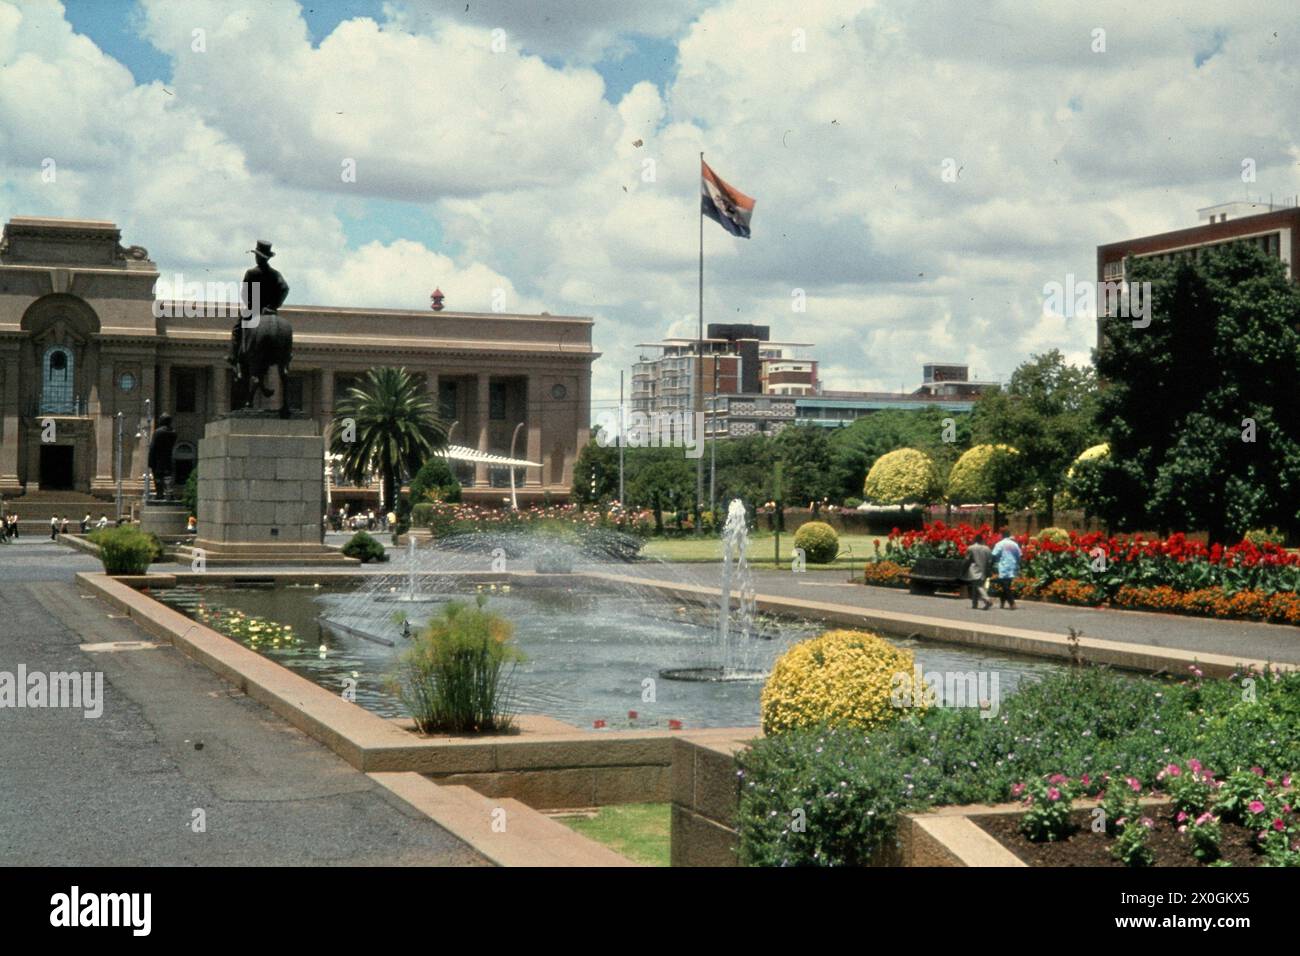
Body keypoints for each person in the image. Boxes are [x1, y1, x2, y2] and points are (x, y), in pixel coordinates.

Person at [990, 528, 1022, 609]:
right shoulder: (1014, 544)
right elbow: (1019, 556)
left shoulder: (1000, 544)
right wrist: (1018, 565)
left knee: (1005, 586)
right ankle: (1002, 602)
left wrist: (990, 565)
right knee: (1006, 585)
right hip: (1013, 567)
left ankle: (1012, 603)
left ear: (1002, 535)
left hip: (1004, 567)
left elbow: (994, 555)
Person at [963, 533, 994, 610]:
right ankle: (974, 604)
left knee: (977, 586)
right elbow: (990, 561)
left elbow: (967, 560)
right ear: (982, 540)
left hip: (974, 570)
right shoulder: (987, 549)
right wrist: (989, 571)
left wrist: (963, 569)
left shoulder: (971, 548)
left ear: (975, 540)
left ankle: (987, 599)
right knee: (976, 587)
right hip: (984, 570)